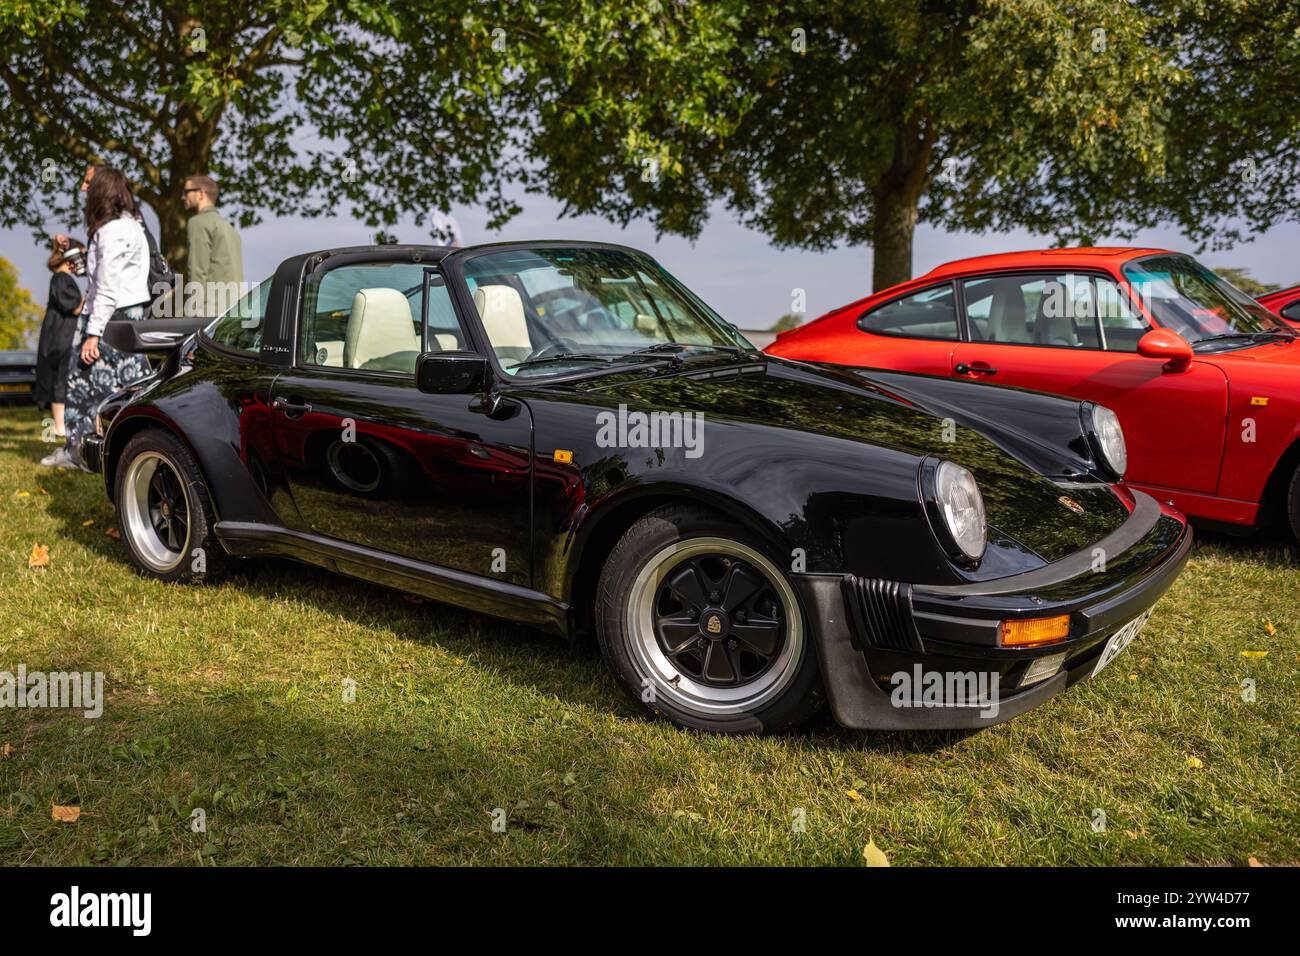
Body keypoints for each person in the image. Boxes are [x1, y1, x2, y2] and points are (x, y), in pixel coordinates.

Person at [43, 167, 153, 470]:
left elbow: (106, 286)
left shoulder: (111, 230)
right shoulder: (131, 225)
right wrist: (70, 253)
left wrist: (92, 333)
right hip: (127, 316)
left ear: (102, 189)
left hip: (108, 318)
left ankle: (79, 454)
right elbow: (100, 272)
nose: (82, 188)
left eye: (88, 183)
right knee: (128, 389)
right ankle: (126, 453)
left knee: (82, 388)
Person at [33, 241, 85, 455]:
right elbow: (74, 308)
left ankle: (60, 425)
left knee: (59, 380)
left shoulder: (60, 279)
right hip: (60, 338)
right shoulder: (61, 278)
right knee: (60, 380)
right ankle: (60, 426)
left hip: (57, 337)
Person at [183, 174, 243, 316]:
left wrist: (191, 314)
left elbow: (198, 271)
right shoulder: (229, 228)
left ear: (201, 193)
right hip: (235, 309)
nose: (183, 197)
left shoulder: (198, 222)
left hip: (210, 312)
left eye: (186, 192)